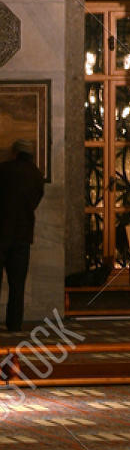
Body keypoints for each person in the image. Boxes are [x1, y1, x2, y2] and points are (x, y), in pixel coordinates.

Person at [0, 139, 45, 333]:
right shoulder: (36, 175)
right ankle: (14, 324)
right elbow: (36, 200)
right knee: (17, 284)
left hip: (1, 232)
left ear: (14, 153)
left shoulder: (3, 170)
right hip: (22, 235)